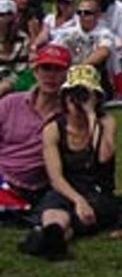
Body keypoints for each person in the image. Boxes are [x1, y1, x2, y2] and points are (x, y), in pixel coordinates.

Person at [19, 65, 117, 259]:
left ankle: (47, 237)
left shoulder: (105, 122)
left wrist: (91, 115)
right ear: (64, 98)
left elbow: (104, 157)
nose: (77, 102)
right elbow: (55, 177)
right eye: (73, 95)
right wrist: (78, 200)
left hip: (95, 189)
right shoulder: (53, 129)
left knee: (86, 215)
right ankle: (55, 235)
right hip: (65, 188)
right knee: (54, 211)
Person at [0, 44, 70, 204]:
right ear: (35, 71)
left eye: (57, 70)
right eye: (46, 68)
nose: (51, 76)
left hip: (33, 188)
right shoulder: (10, 103)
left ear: (67, 75)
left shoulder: (69, 115)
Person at [0, 0, 32, 98]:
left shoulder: (22, 39)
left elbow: (21, 69)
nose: (4, 19)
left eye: (8, 15)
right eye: (1, 15)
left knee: (6, 86)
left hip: (11, 79)